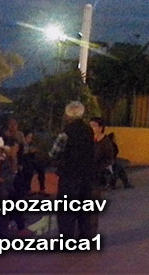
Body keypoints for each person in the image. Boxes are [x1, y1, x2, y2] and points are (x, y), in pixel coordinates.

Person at [56, 102, 98, 239]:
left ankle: (67, 237)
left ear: (68, 115)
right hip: (86, 174)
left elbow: (55, 151)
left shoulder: (66, 132)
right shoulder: (88, 130)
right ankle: (84, 236)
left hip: (69, 174)